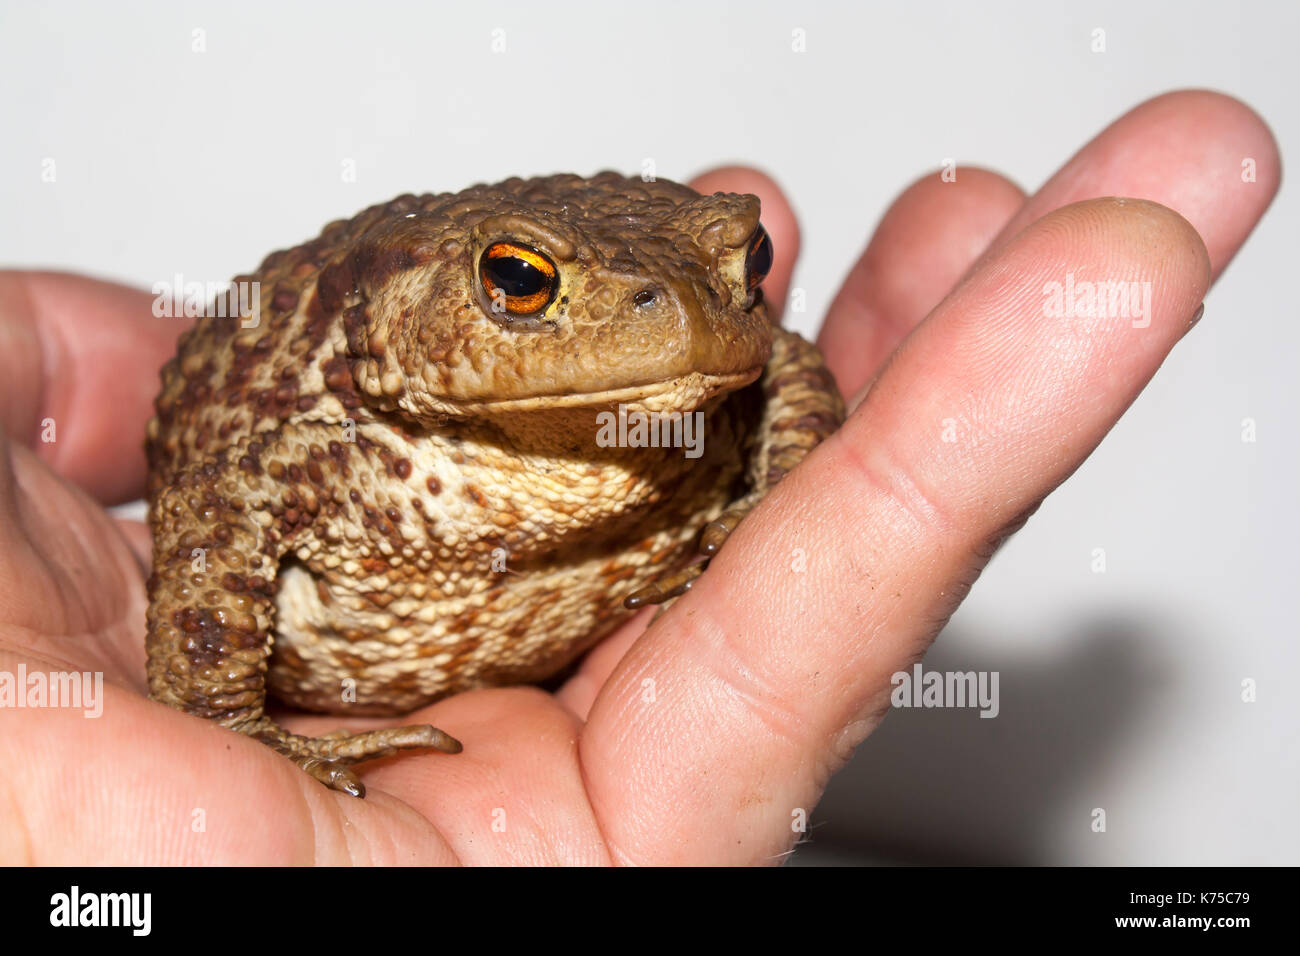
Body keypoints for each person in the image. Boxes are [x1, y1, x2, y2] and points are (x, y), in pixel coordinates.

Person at [0, 90, 1279, 864]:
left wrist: (783, 495)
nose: (686, 311)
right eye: (523, 288)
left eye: (742, 263)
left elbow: (776, 368)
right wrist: (215, 728)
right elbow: (219, 493)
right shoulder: (330, 419)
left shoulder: (735, 385)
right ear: (446, 302)